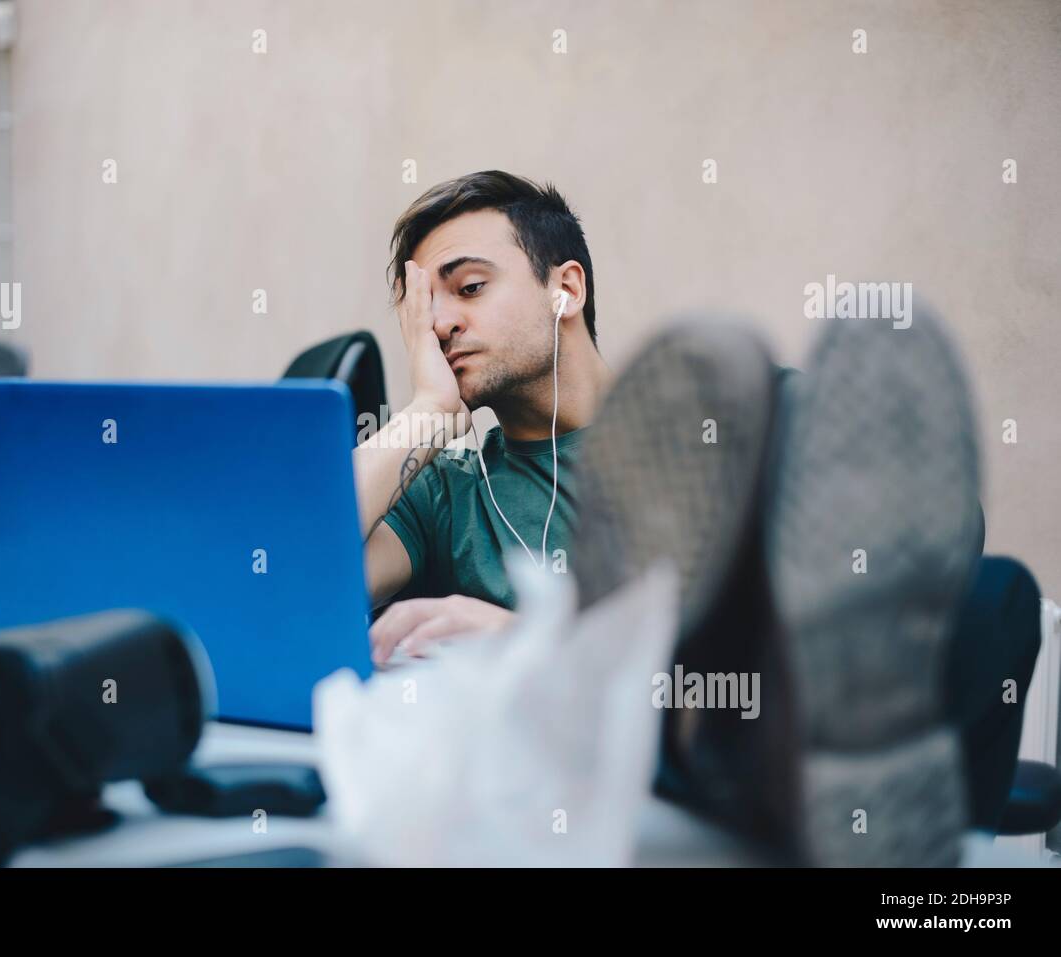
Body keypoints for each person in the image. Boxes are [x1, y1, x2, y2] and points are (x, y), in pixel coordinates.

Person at [352, 170, 1042, 862]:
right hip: (597, 787)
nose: (442, 323)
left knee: (994, 595)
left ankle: (838, 771)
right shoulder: (450, 492)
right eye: (424, 309)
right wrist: (429, 413)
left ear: (567, 287)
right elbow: (293, 572)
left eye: (468, 287)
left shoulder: (725, 420)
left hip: (758, 708)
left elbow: (934, 538)